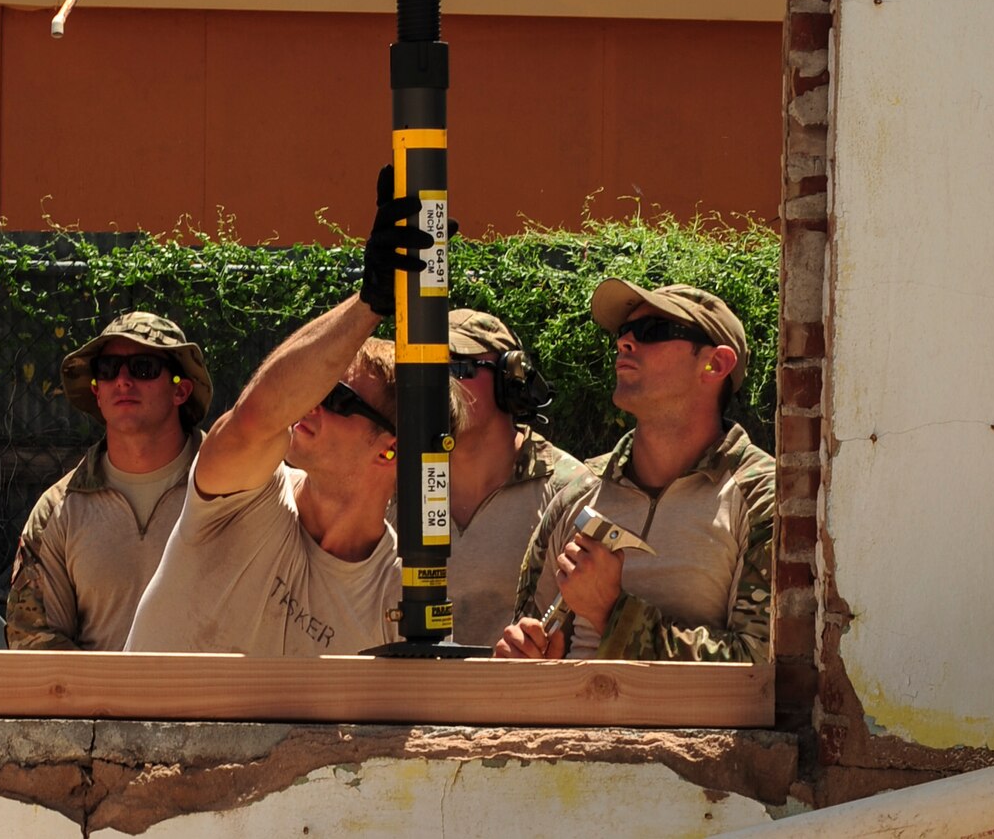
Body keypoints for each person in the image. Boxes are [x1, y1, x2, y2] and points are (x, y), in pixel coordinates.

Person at [124, 182, 459, 657]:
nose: (310, 404)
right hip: (137, 734)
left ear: (392, 450)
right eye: (314, 389)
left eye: (337, 398)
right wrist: (370, 303)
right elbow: (258, 415)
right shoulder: (248, 492)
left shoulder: (397, 600)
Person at [497, 280, 774, 663]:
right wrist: (525, 655)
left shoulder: (764, 496)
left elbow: (760, 668)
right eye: (624, 332)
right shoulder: (578, 491)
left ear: (715, 364)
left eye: (652, 331)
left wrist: (611, 614)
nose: (624, 343)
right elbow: (529, 642)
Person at [5, 312, 212, 651]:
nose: (123, 381)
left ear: (181, 390)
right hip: (96, 703)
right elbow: (33, 641)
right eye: (108, 369)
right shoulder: (58, 512)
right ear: (97, 393)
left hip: (217, 699)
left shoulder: (235, 490)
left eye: (144, 367)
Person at [439, 309, 588, 646]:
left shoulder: (569, 493)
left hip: (521, 695)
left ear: (511, 381)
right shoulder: (393, 480)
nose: (437, 383)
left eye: (457, 368)